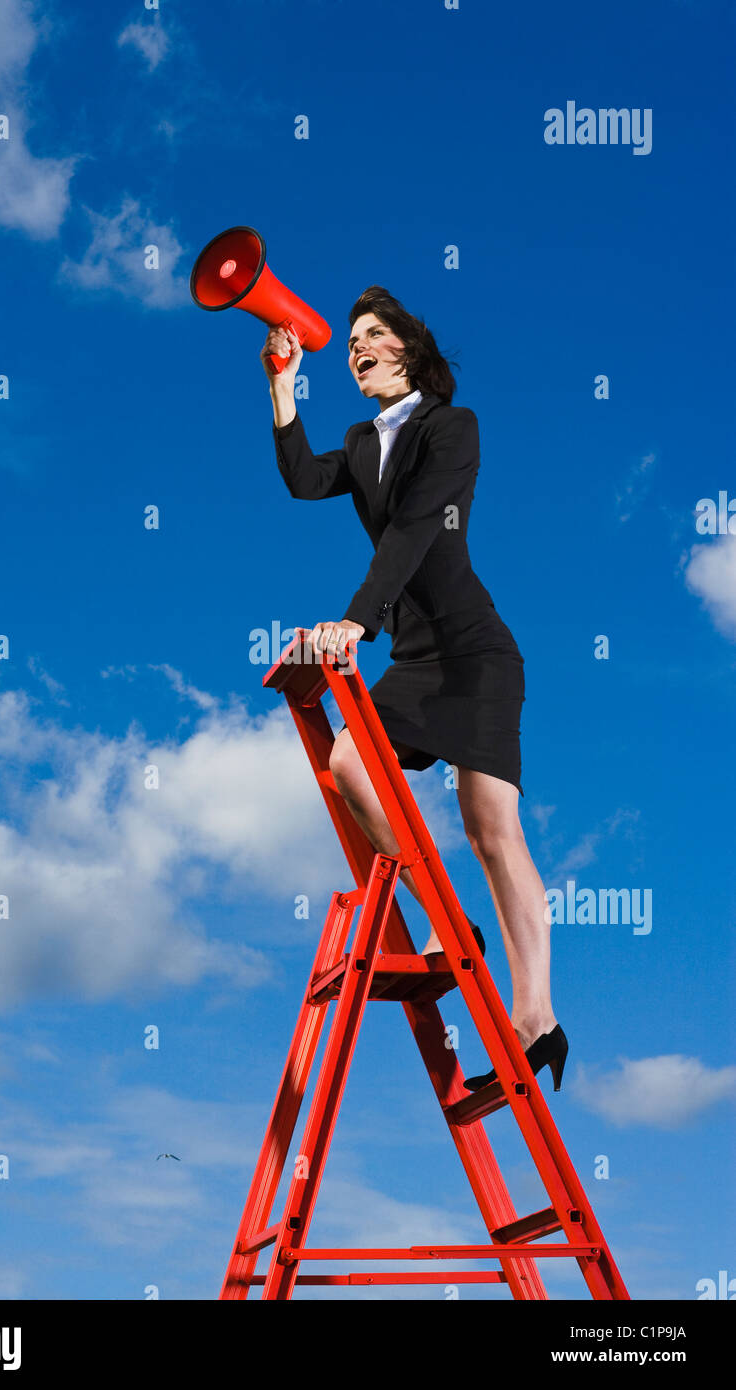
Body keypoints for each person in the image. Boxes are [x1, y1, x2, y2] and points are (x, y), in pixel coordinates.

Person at [261, 287, 567, 1093]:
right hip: (416, 656)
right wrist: (283, 385)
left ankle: (536, 1022)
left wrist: (356, 622)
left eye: (371, 335)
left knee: (494, 831)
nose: (356, 346)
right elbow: (301, 480)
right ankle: (446, 916)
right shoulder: (363, 442)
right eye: (351, 338)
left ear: (406, 347)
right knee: (352, 764)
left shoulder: (452, 429)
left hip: (474, 653)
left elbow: (417, 527)